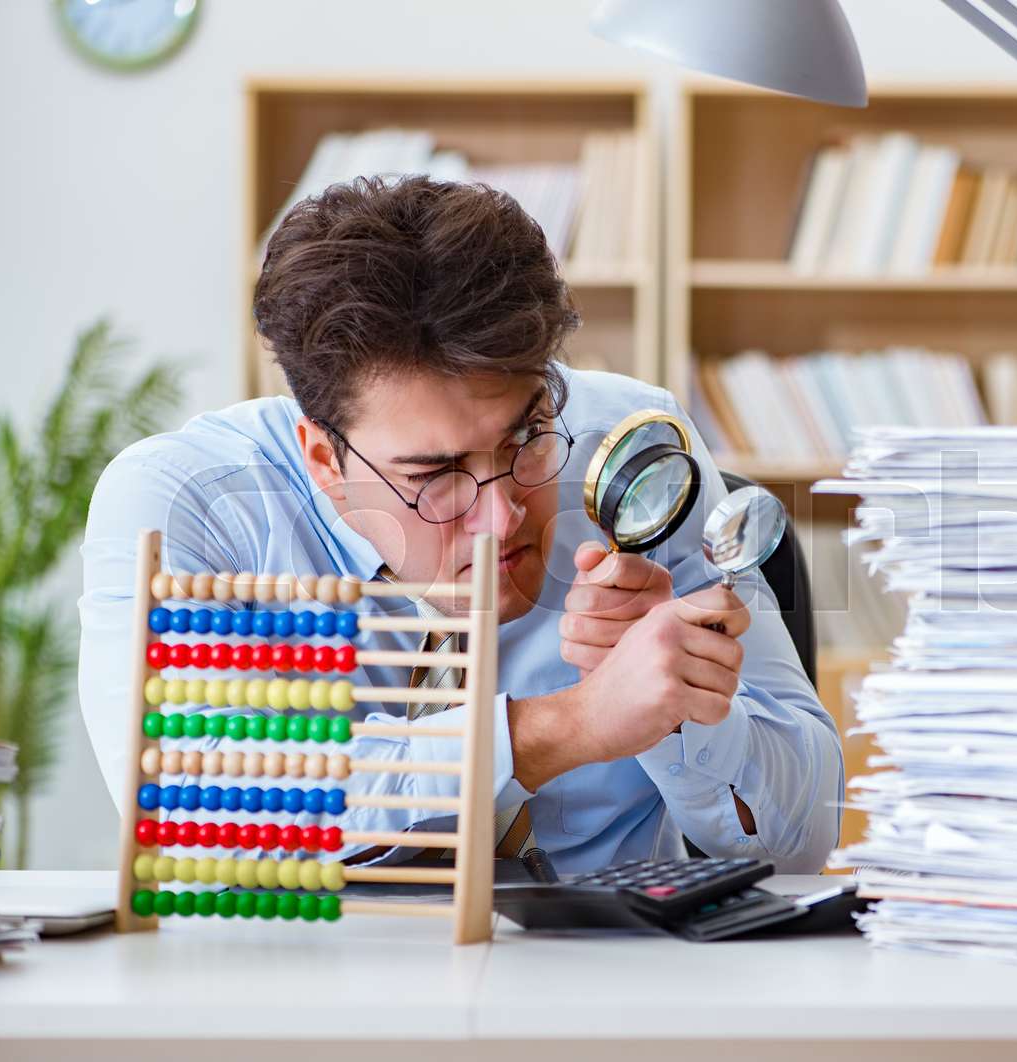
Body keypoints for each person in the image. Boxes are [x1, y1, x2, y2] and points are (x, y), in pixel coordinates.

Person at [78, 176, 842, 874]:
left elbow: (806, 841)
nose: (501, 516)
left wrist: (681, 711)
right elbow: (185, 806)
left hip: (611, 989)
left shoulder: (629, 448)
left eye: (526, 438)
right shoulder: (190, 501)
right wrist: (567, 726)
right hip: (314, 988)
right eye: (436, 476)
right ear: (322, 457)